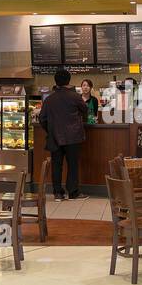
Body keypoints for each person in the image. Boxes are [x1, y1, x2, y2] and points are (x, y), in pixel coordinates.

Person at [38, 69, 89, 201]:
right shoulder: (75, 96)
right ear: (68, 81)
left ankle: (58, 193)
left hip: (55, 137)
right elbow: (85, 110)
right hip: (73, 136)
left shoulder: (49, 99)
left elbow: (42, 119)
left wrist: (50, 130)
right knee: (72, 164)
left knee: (57, 165)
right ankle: (73, 192)